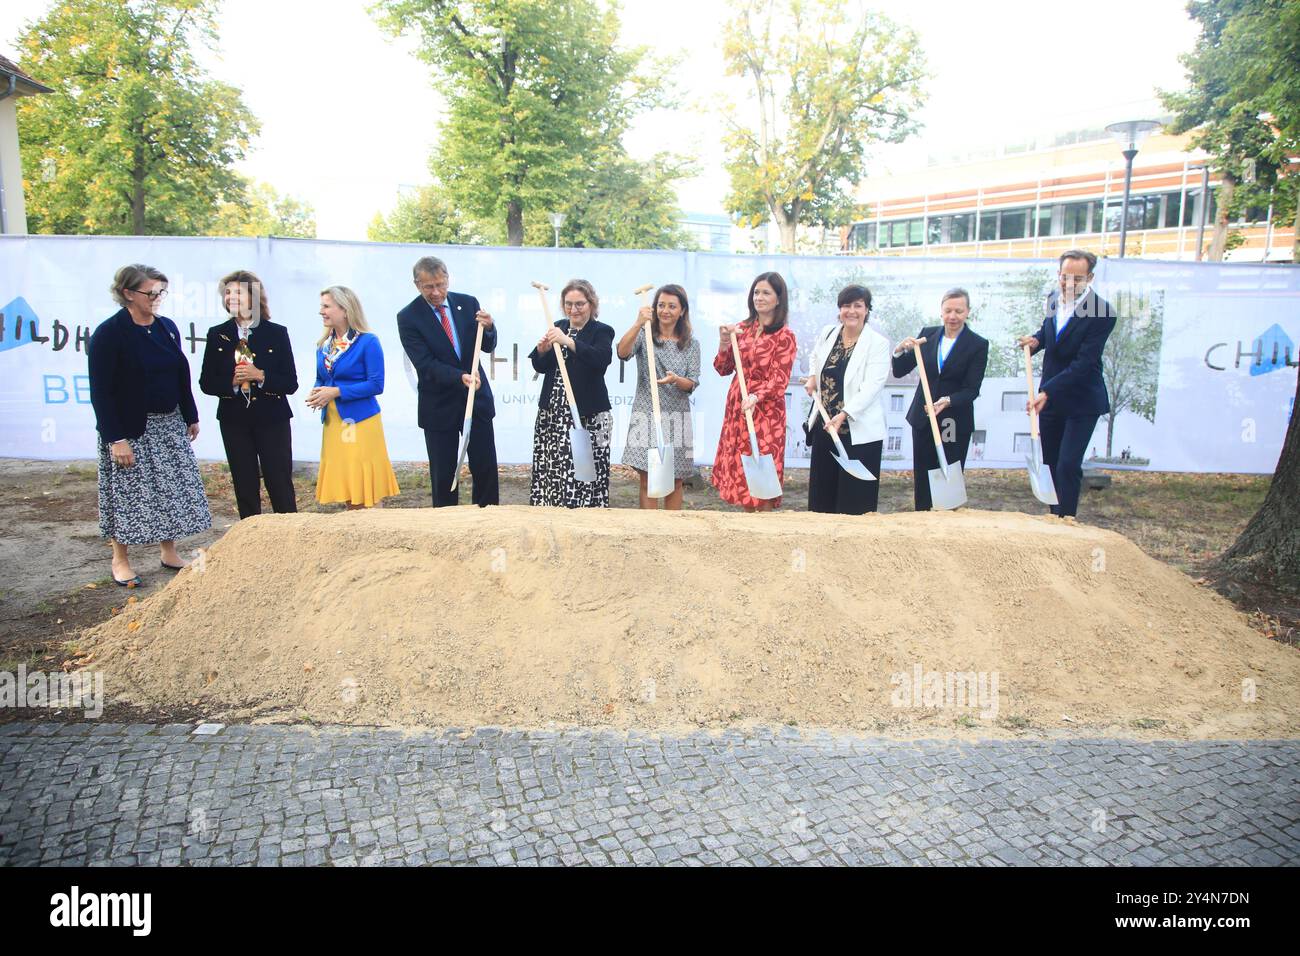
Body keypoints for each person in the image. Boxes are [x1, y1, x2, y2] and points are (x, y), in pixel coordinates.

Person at [88, 264, 212, 587]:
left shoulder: (166, 328)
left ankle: (168, 551)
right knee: (127, 494)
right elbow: (100, 391)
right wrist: (116, 438)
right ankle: (121, 559)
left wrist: (190, 413)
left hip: (168, 423)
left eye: (161, 291)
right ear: (128, 294)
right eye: (151, 292)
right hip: (130, 429)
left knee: (169, 489)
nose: (157, 298)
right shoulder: (109, 334)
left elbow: (180, 373)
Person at [1017, 249, 1117, 518]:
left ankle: (1067, 522)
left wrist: (1047, 391)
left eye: (1077, 279)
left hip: (1082, 400)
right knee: (1049, 463)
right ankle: (1054, 518)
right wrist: (1036, 341)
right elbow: (1050, 334)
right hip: (1050, 398)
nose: (1069, 284)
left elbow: (1084, 363)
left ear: (1090, 277)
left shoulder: (1102, 312)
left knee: (1067, 465)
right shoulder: (1052, 299)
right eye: (1064, 277)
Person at [396, 255, 498, 507]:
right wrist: (458, 377)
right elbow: (424, 363)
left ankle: (488, 520)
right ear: (416, 284)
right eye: (429, 287)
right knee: (443, 473)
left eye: (441, 284)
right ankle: (445, 525)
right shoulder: (408, 317)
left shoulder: (467, 303)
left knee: (485, 467)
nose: (437, 292)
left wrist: (490, 328)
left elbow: (486, 346)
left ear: (447, 279)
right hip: (439, 405)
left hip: (476, 401)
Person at [198, 269, 298, 518]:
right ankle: (249, 538)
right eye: (227, 292)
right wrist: (231, 381)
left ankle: (291, 535)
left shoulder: (276, 333)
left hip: (272, 418)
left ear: (254, 297)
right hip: (234, 420)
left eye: (238, 292)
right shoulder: (217, 334)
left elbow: (290, 383)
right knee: (244, 482)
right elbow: (206, 382)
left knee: (279, 480)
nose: (231, 297)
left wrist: (260, 375)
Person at [892, 288, 990, 511]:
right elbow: (899, 370)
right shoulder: (928, 335)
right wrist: (899, 350)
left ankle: (946, 520)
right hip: (924, 417)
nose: (953, 316)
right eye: (948, 311)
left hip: (952, 420)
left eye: (958, 311)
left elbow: (972, 389)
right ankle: (922, 518)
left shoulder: (977, 345)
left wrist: (947, 401)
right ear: (941, 311)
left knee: (948, 472)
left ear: (967, 312)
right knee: (924, 475)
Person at [711, 272, 798, 512]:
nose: (759, 297)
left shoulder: (785, 336)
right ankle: (748, 527)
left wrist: (756, 396)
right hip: (739, 407)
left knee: (763, 469)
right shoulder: (741, 329)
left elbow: (779, 380)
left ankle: (765, 527)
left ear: (779, 299)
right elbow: (723, 368)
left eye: (766, 292)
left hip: (765, 412)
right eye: (756, 292)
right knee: (743, 471)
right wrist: (724, 343)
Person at [308, 286, 400, 509]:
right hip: (333, 421)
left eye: (326, 306)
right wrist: (317, 392)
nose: (321, 311)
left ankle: (372, 531)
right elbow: (322, 378)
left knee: (363, 485)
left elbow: (376, 384)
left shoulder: (368, 342)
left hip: (359, 420)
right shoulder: (323, 345)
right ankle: (355, 529)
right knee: (348, 482)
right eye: (321, 306)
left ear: (345, 309)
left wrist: (337, 392)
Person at [802, 284, 891, 515]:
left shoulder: (877, 344)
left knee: (855, 504)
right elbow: (815, 356)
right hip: (825, 426)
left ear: (867, 310)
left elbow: (872, 387)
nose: (851, 311)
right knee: (822, 500)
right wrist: (813, 377)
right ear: (839, 309)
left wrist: (844, 414)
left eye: (857, 306)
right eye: (846, 305)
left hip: (858, 432)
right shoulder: (829, 333)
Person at [528, 278, 615, 508]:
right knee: (553, 465)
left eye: (580, 304)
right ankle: (552, 510)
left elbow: (601, 360)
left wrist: (568, 341)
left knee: (583, 468)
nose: (573, 309)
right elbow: (540, 366)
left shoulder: (601, 331)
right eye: (568, 304)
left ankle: (584, 512)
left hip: (586, 415)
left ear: (591, 304)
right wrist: (542, 350)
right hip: (553, 414)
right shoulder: (557, 325)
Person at [615, 284, 701, 510]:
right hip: (647, 413)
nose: (665, 310)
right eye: (661, 305)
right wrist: (637, 323)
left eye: (672, 306)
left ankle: (673, 531)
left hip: (677, 417)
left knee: (675, 480)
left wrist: (676, 379)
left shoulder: (691, 344)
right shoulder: (644, 335)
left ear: (682, 311)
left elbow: (692, 382)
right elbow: (622, 352)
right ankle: (649, 530)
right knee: (648, 479)